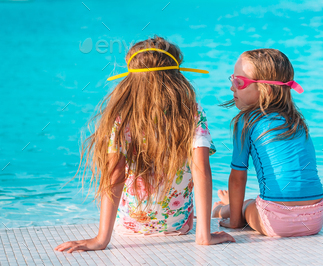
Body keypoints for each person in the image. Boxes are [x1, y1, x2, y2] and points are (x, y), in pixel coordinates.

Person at [55, 36, 234, 252]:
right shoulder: (190, 111)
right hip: (178, 225)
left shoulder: (122, 115)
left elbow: (115, 175)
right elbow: (201, 171)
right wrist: (204, 235)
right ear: (175, 75)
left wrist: (101, 239)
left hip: (130, 225)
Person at [213, 49, 323, 237]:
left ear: (266, 89)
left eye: (239, 82)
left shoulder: (246, 121)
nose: (232, 87)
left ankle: (223, 208)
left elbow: (238, 178)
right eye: (232, 78)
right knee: (253, 203)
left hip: (276, 222)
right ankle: (229, 204)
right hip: (315, 218)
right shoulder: (298, 122)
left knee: (247, 205)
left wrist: (234, 222)